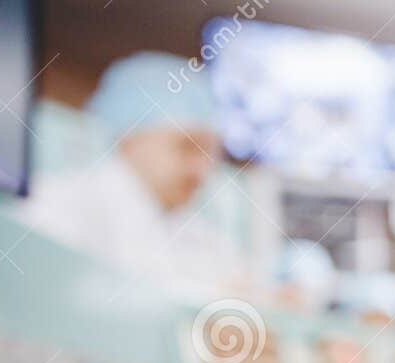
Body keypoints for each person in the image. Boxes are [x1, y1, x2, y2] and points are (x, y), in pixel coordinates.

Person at [23, 52, 239, 292]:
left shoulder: (200, 237)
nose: (201, 170)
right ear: (130, 137)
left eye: (209, 154)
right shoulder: (55, 205)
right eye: (187, 146)